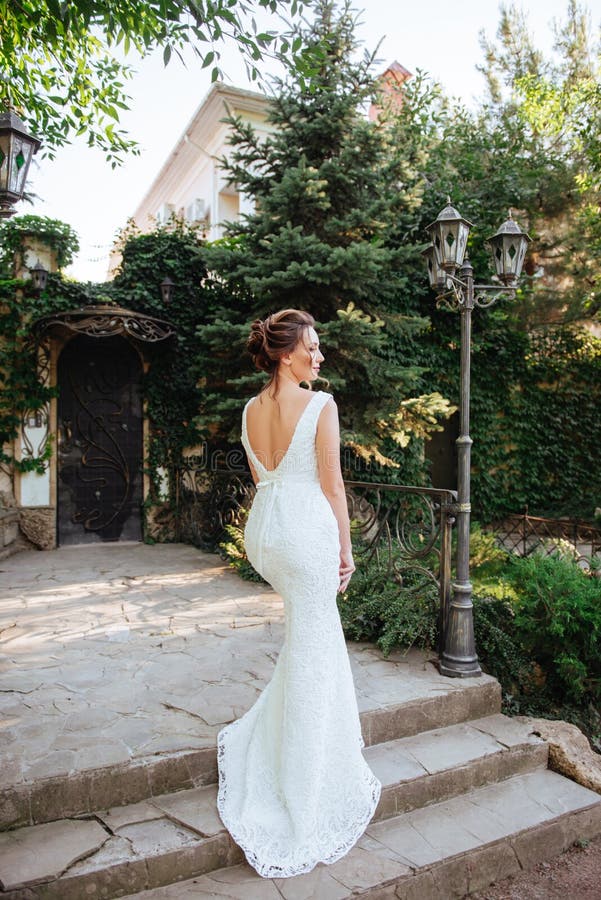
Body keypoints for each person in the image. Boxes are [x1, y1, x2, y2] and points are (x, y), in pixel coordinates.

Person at [216, 308, 381, 879]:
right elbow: (332, 485)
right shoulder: (321, 405)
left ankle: (290, 745)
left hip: (266, 534)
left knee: (309, 645)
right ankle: (304, 786)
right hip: (306, 535)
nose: (320, 356)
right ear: (286, 354)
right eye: (311, 347)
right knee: (316, 651)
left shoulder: (250, 408)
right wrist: (347, 550)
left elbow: (266, 480)